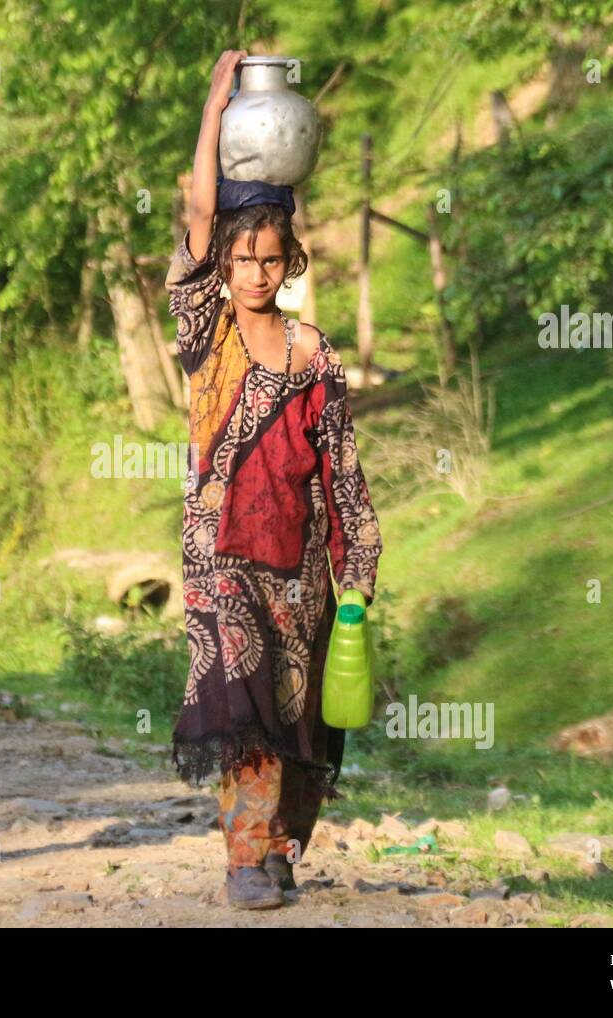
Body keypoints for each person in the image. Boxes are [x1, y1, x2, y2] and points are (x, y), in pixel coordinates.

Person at [167, 52, 383, 910]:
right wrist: (218, 105)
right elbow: (194, 208)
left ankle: (285, 846)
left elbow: (342, 472)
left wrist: (358, 567)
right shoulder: (204, 332)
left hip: (299, 565)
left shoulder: (313, 350)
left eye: (269, 259)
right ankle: (243, 862)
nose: (254, 272)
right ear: (221, 261)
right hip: (220, 560)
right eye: (240, 257)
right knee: (243, 706)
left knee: (302, 715)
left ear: (289, 261)